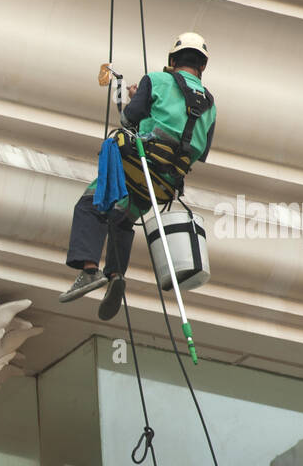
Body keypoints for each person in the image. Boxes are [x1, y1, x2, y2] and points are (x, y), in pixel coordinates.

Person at [59, 32, 217, 320]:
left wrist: (134, 98)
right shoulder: (210, 104)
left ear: (172, 61)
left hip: (136, 165)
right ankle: (116, 274)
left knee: (90, 205)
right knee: (122, 218)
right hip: (163, 184)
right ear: (203, 66)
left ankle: (89, 270)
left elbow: (128, 119)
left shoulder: (156, 80)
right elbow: (200, 152)